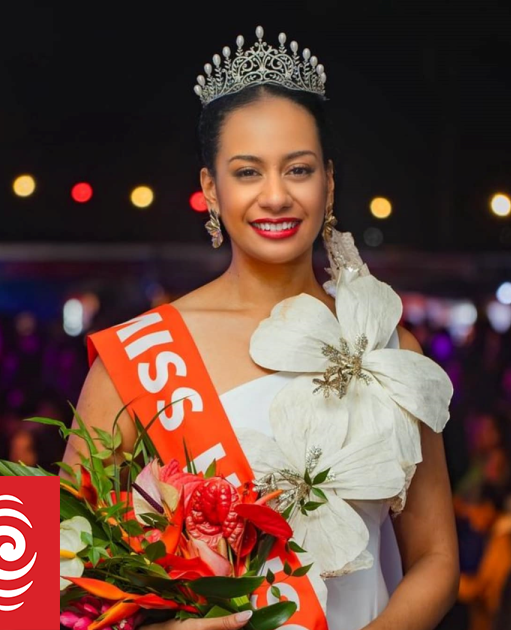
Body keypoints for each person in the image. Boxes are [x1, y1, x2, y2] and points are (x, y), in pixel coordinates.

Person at [60, 25, 458, 630]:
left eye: (297, 170)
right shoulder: (134, 354)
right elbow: (23, 581)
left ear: (328, 183)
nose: (275, 196)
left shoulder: (388, 347)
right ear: (210, 190)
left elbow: (436, 558)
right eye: (247, 172)